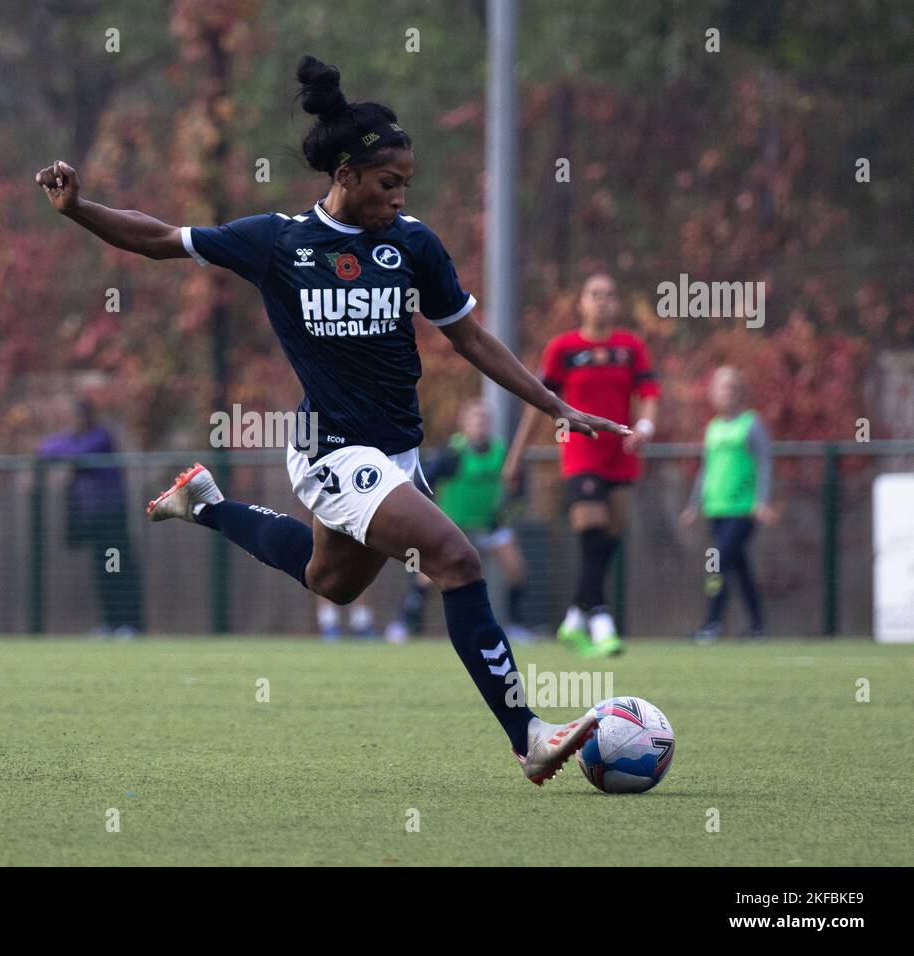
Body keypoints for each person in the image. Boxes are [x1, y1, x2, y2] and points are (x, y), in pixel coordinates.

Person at [38, 55, 630, 785]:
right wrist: (79, 209)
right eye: (389, 183)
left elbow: (467, 335)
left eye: (406, 185)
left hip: (397, 451)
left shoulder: (412, 245)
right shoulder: (278, 242)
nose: (399, 197)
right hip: (330, 448)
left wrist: (556, 403)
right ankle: (529, 735)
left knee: (334, 583)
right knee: (458, 560)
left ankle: (208, 505)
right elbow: (162, 238)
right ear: (345, 176)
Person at [503, 273, 659, 658]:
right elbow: (538, 402)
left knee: (609, 539)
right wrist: (515, 455)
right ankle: (601, 620)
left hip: (621, 451)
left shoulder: (631, 347)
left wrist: (645, 426)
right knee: (592, 531)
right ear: (582, 303)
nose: (602, 301)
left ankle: (575, 616)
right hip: (580, 449)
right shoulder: (564, 348)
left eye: (609, 295)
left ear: (616, 303)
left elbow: (649, 393)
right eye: (595, 294)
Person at [386, 398, 530, 644]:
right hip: (455, 527)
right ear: (464, 424)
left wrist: (504, 513)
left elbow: (519, 490)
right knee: (427, 574)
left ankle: (516, 624)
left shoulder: (500, 453)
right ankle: (406, 623)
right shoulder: (452, 453)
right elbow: (422, 485)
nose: (481, 424)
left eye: (485, 419)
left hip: (487, 525)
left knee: (516, 567)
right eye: (475, 419)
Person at [680, 366, 776, 640]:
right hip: (716, 508)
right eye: (721, 387)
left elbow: (765, 463)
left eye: (732, 387)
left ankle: (711, 624)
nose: (726, 393)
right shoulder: (713, 428)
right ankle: (758, 625)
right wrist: (693, 505)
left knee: (718, 563)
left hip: (743, 509)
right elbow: (706, 470)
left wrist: (762, 501)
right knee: (739, 568)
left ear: (740, 392)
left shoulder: (752, 424)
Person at [38, 398, 144, 636]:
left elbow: (76, 453)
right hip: (94, 521)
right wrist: (63, 446)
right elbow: (45, 449)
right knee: (102, 573)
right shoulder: (74, 437)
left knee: (119, 570)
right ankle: (110, 624)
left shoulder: (100, 437)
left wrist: (65, 448)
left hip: (112, 518)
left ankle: (129, 625)